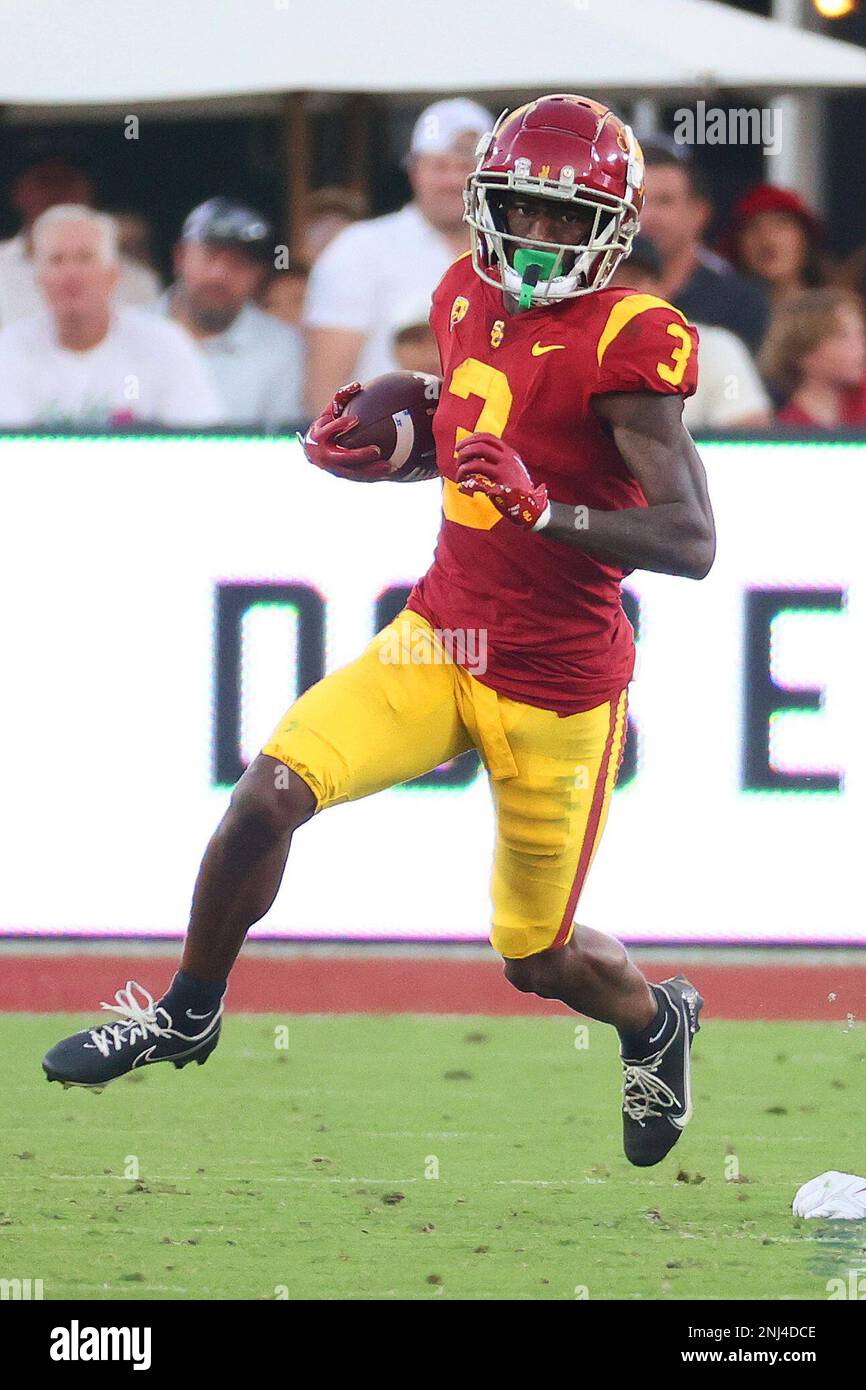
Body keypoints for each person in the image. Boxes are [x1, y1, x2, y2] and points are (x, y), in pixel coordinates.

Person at [42, 94, 715, 1172]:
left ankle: (652, 1019)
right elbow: (482, 423)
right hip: (441, 636)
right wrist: (401, 437)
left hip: (557, 681)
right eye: (519, 212)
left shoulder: (633, 340)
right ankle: (188, 1010)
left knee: (535, 959)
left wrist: (547, 509)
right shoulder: (458, 290)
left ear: (612, 228)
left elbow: (688, 539)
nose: (535, 241)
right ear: (486, 207)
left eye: (560, 219)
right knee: (264, 800)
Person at [302, 96, 493, 412]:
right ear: (414, 170)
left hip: (488, 450)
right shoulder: (359, 248)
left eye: (465, 167)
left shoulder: (514, 254)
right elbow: (324, 383)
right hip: (385, 449)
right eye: (439, 166)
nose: (452, 180)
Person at [0, 204, 220, 429]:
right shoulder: (10, 348)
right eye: (57, 260)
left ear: (113, 275)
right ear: (39, 278)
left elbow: (202, 437)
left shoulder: (164, 343)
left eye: (85, 258)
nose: (71, 273)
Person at [160, 198, 304, 429]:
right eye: (210, 256)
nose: (220, 274)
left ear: (258, 274)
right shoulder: (125, 331)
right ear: (180, 257)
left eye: (239, 262)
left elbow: (284, 444)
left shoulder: (282, 347)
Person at [613, 237, 772, 432]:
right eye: (610, 279)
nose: (620, 290)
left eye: (634, 278)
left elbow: (747, 430)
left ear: (662, 289)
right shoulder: (573, 349)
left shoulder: (716, 348)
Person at [0, 139, 160, 323]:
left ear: (89, 190)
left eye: (67, 180)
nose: (56, 192)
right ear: (18, 193)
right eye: (44, 181)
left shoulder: (136, 280)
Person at [639, 135, 769, 353]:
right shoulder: (597, 293)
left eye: (665, 201)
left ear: (699, 213)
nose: (648, 215)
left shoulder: (741, 304)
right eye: (640, 201)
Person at [759, 287, 866, 427]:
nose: (860, 345)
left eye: (861, 333)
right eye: (843, 336)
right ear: (803, 351)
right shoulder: (789, 429)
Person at [720, 183, 828, 309]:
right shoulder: (721, 316)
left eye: (781, 223)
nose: (767, 238)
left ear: (805, 238)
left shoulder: (837, 315)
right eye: (753, 227)